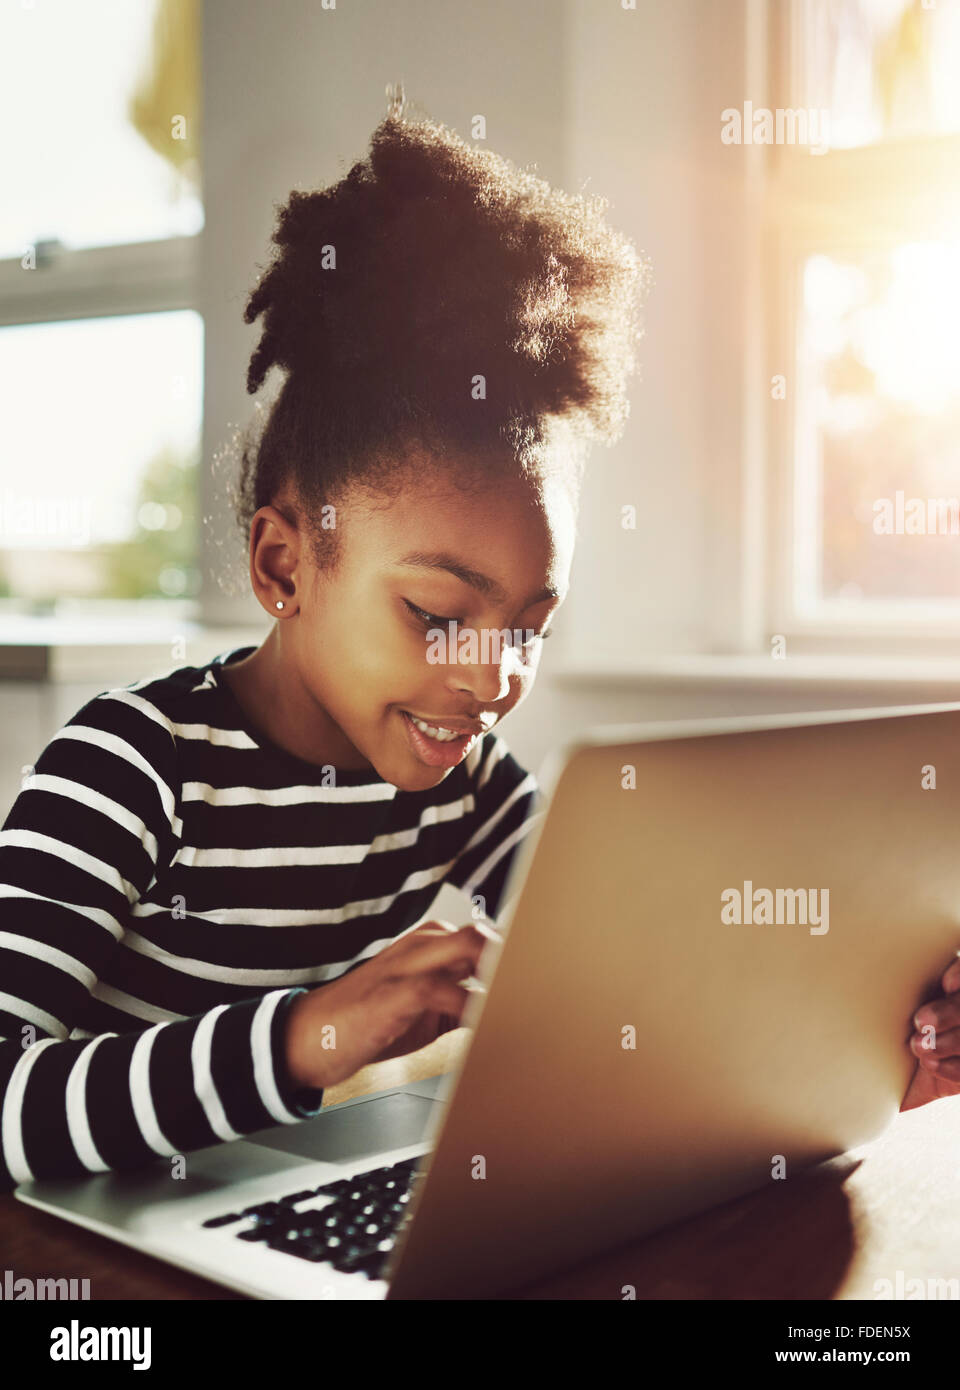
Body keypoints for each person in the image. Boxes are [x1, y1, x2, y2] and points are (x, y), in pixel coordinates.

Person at [0, 107, 648, 1188]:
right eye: (437, 611)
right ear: (284, 567)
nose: (492, 680)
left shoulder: (463, 785)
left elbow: (629, 948)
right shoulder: (130, 771)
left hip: (248, 1208)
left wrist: (865, 1013)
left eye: (530, 625)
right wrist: (307, 1038)